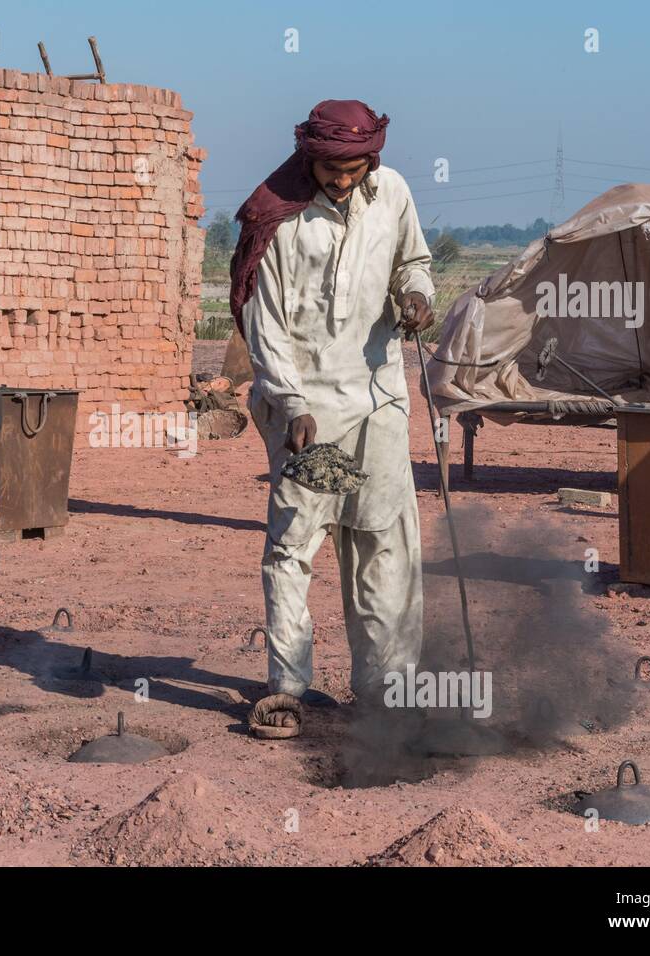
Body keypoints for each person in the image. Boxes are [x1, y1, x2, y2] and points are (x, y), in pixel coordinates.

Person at [231, 100, 435, 734]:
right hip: (307, 410)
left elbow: (415, 263)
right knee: (294, 546)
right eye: (329, 169)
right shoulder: (276, 216)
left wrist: (417, 297)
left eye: (352, 169)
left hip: (379, 401)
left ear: (370, 159)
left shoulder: (393, 193)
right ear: (309, 157)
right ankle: (289, 687)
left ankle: (386, 689)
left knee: (383, 543)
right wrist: (290, 402)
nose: (341, 181)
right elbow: (265, 326)